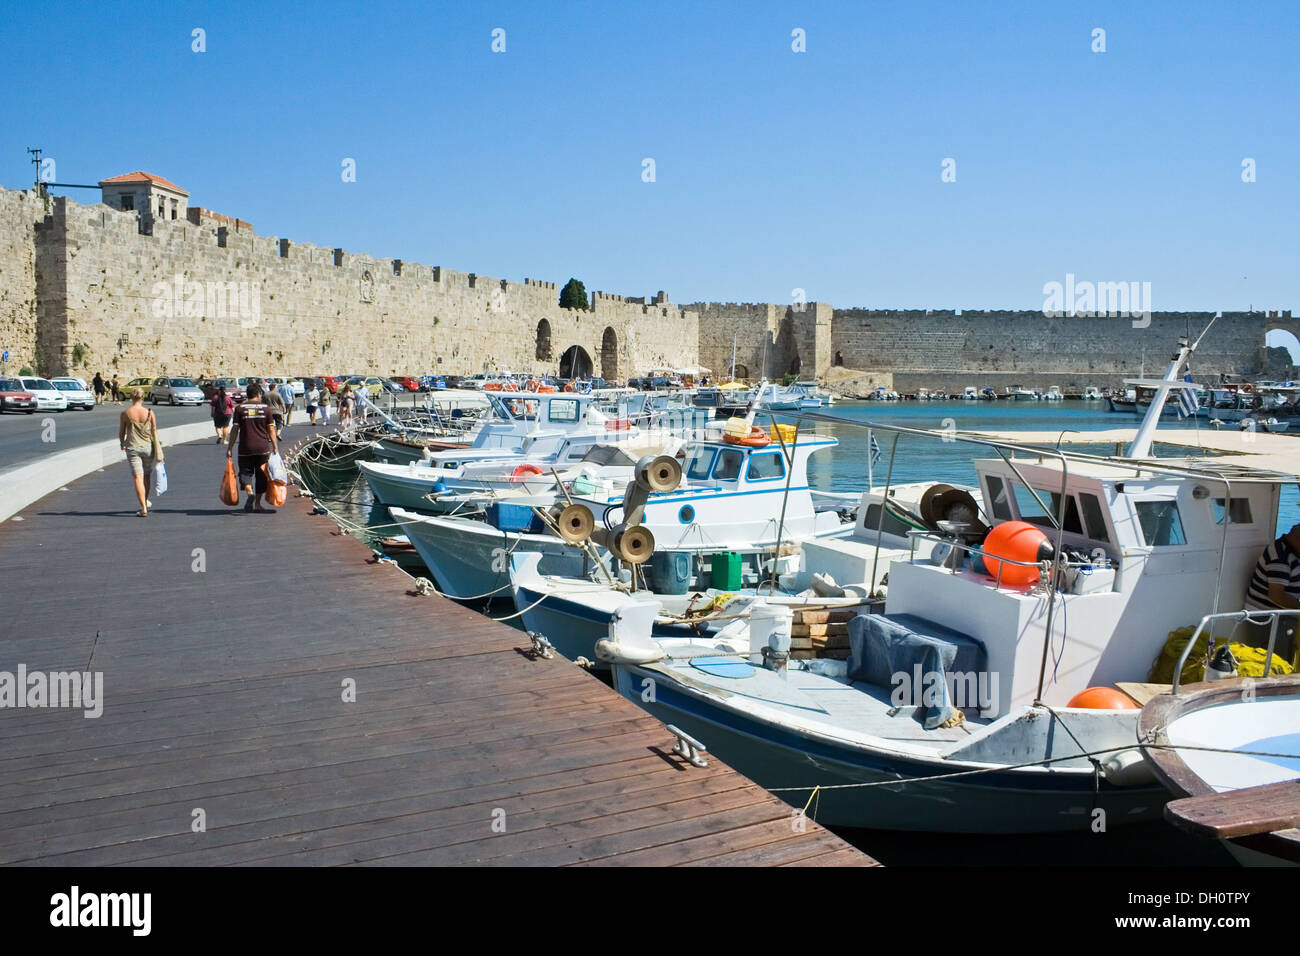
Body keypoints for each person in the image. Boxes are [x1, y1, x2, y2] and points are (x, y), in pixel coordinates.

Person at [1243, 522, 1300, 662]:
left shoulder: (1294, 551)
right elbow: (1276, 595)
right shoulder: (1280, 557)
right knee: (1276, 660)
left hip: (1284, 614)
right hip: (1268, 617)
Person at [226, 382, 279, 513]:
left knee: (245, 473)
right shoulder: (266, 409)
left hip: (245, 448)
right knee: (261, 476)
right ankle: (257, 505)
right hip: (262, 448)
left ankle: (250, 493)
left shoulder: (240, 409)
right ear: (258, 394)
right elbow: (271, 429)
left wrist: (230, 447)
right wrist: (275, 446)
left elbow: (235, 429)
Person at [118, 389, 159, 517]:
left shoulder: (125, 413)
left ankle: (143, 508)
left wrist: (122, 443)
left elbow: (122, 433)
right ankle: (145, 502)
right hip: (148, 447)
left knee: (138, 477)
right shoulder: (149, 412)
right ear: (142, 398)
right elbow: (154, 430)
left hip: (132, 447)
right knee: (146, 476)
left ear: (131, 397)